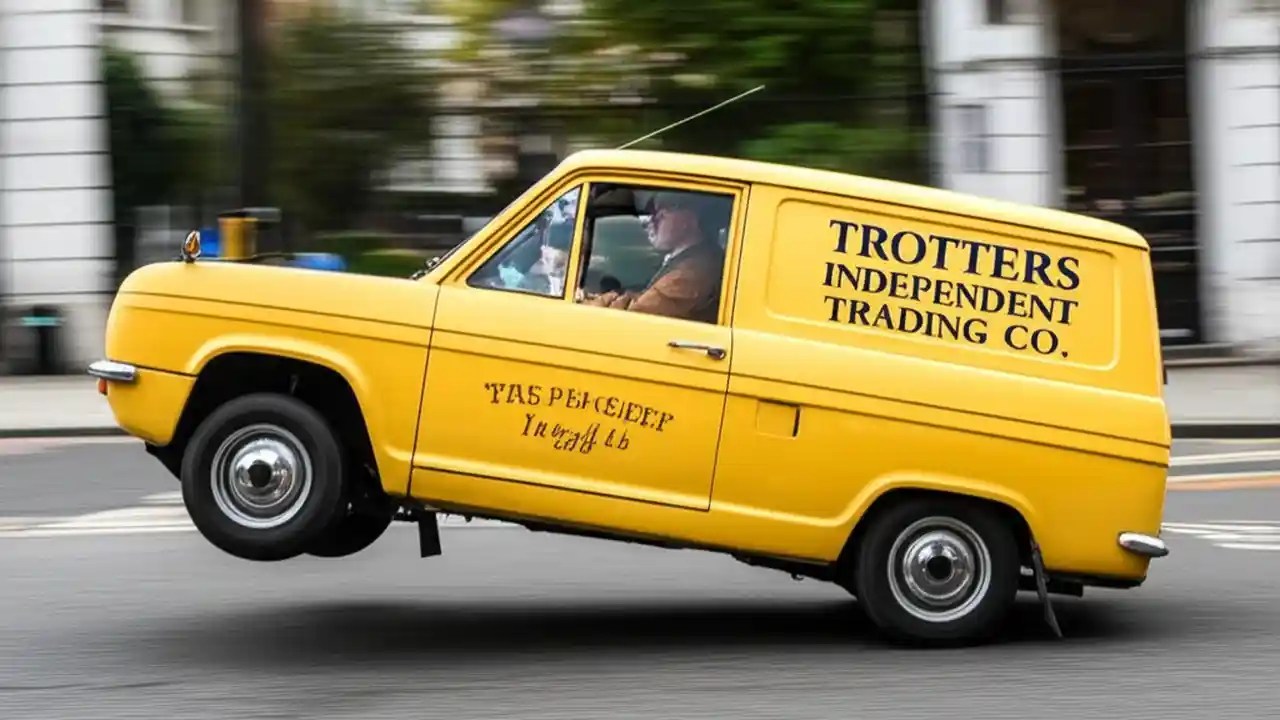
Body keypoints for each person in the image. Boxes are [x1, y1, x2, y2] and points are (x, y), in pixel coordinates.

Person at [582, 192, 725, 323]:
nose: (651, 222)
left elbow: (634, 314)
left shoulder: (693, 273)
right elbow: (645, 298)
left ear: (688, 221)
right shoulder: (690, 259)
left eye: (661, 215)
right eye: (651, 215)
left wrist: (588, 305)